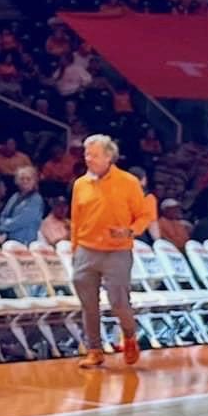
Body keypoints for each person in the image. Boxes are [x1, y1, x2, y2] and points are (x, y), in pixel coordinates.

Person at [70, 134, 155, 369]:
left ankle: (129, 336)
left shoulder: (128, 182)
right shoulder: (80, 184)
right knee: (88, 304)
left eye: (94, 155)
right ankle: (94, 349)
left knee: (118, 301)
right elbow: (76, 220)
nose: (89, 159)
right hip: (86, 250)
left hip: (117, 251)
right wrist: (75, 248)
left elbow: (145, 215)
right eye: (87, 154)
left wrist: (131, 231)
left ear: (109, 156)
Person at [0, 165, 46, 245]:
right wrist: (3, 226)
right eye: (22, 179)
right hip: (9, 239)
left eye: (28, 179)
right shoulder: (15, 196)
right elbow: (4, 215)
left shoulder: (36, 199)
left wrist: (3, 227)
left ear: (34, 181)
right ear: (17, 181)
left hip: (25, 240)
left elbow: (22, 220)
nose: (25, 181)